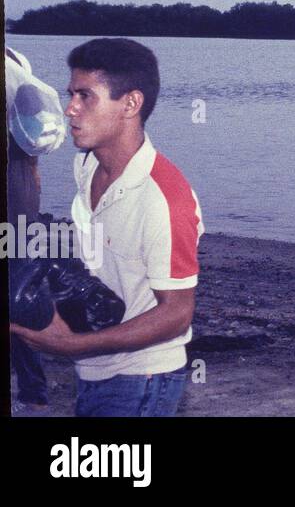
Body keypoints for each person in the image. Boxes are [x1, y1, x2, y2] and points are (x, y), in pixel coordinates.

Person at [10, 39, 203, 417]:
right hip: (97, 370)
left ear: (131, 104)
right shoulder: (87, 166)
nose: (69, 109)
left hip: (142, 380)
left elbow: (178, 313)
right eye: (70, 94)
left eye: (85, 96)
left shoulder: (165, 199)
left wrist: (71, 346)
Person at [6, 47, 68, 407]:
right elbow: (33, 134)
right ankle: (35, 393)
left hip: (17, 183)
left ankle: (34, 392)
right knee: (20, 289)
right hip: (23, 187)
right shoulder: (18, 61)